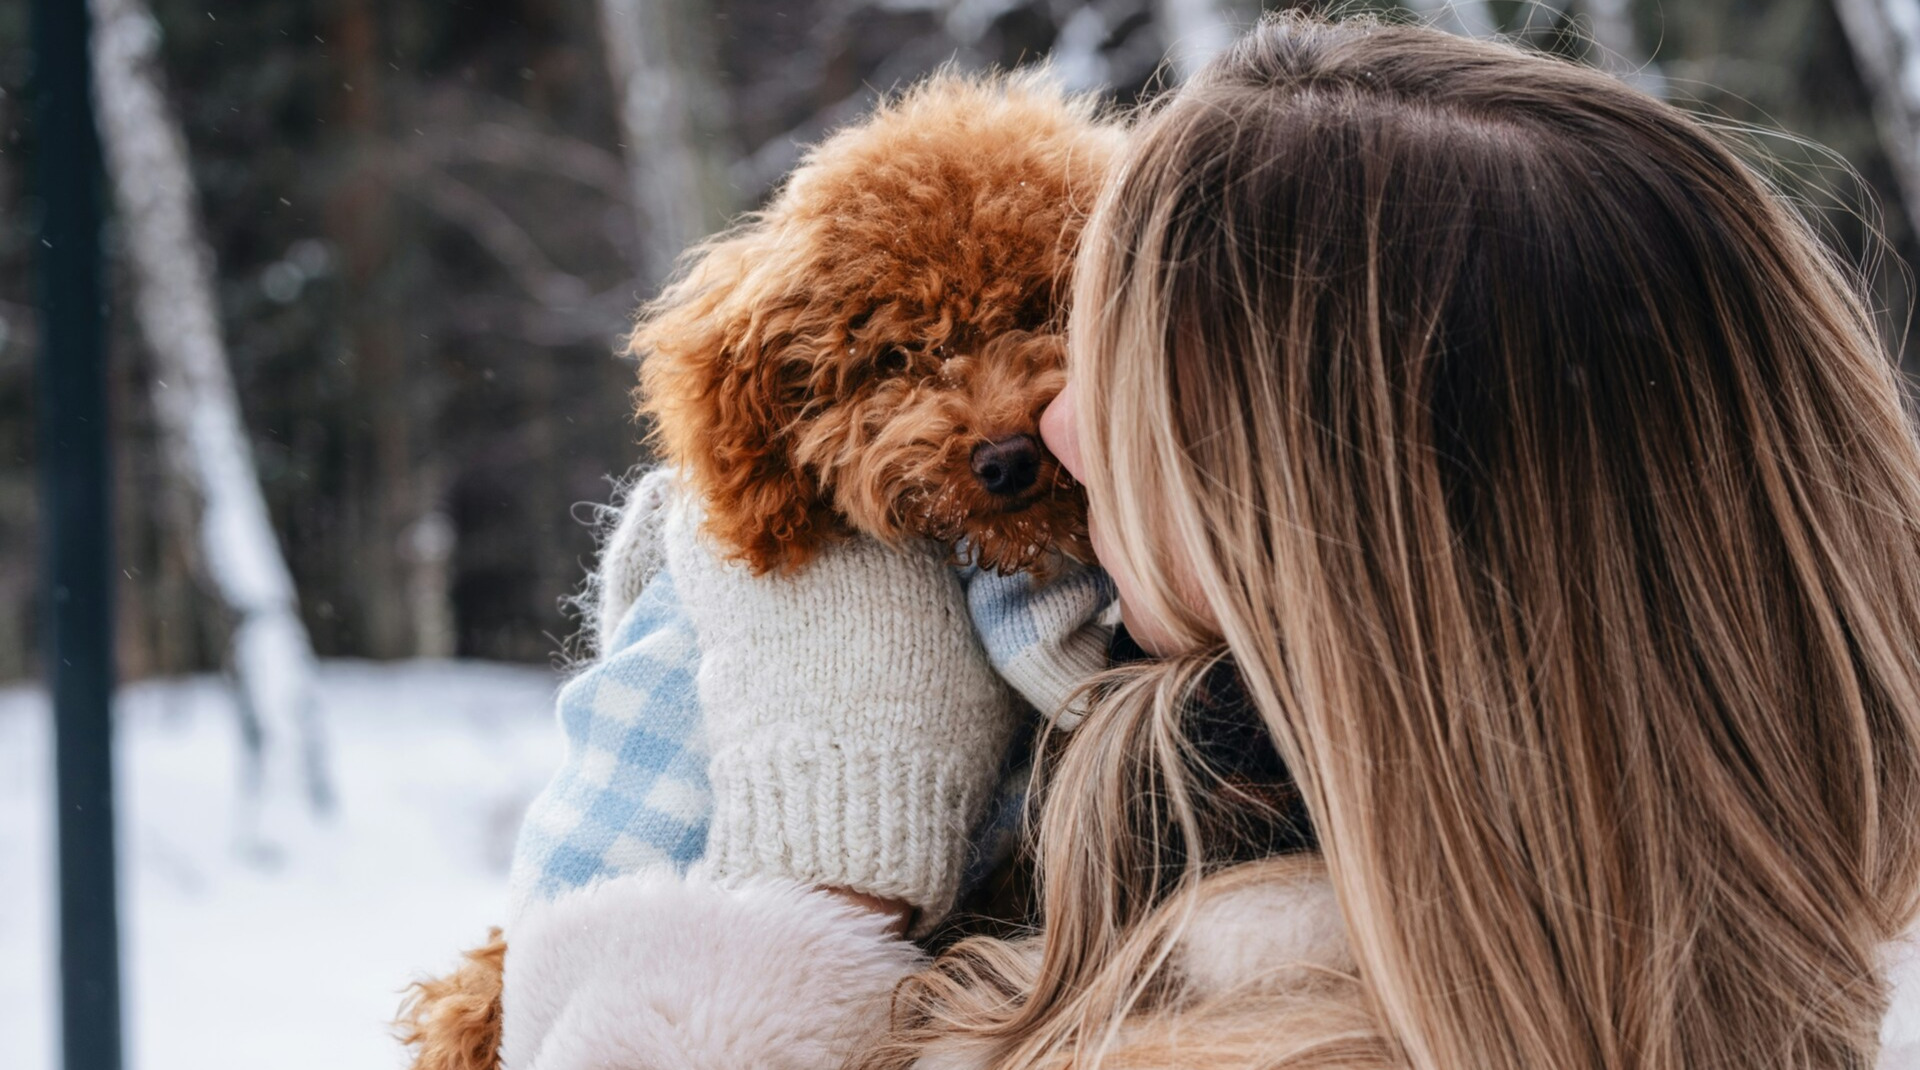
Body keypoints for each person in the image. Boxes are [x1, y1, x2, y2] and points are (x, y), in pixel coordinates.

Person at [499, 14, 1920, 1069]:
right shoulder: (1737, 940)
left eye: (1101, 374)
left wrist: (811, 885)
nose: (1045, 441)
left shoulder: (1236, 1017)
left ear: (1330, 517)